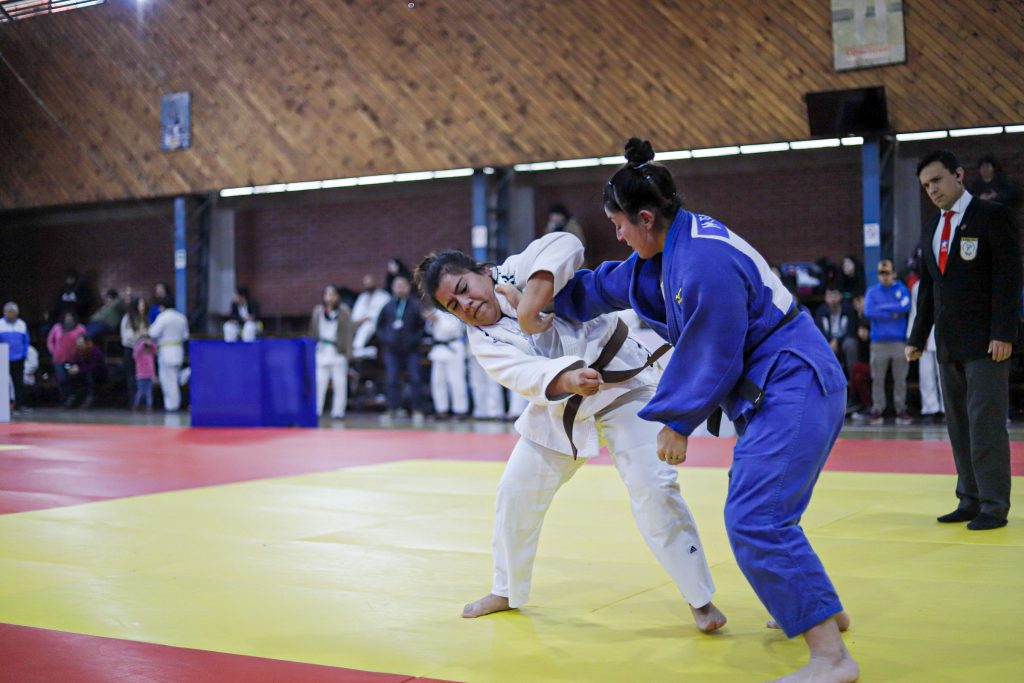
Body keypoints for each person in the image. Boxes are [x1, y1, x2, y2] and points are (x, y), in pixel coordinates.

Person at [546, 138, 857, 683]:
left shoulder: (703, 260)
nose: (617, 236)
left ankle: (831, 658)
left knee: (756, 517)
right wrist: (536, 291)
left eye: (619, 225)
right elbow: (602, 286)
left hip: (795, 381)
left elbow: (714, 349)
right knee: (765, 507)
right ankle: (820, 610)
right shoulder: (667, 250)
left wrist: (677, 422)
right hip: (779, 386)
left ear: (645, 218)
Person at [414, 232, 725, 633]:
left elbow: (566, 244)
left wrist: (529, 306)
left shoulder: (518, 270)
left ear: (481, 271)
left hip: (624, 386)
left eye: (463, 289)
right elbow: (524, 375)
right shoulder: (482, 341)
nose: (467, 305)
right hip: (563, 406)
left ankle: (700, 599)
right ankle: (506, 590)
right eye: (454, 306)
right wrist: (566, 378)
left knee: (653, 487)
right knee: (515, 492)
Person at [907, 150, 1021, 531]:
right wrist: (917, 337)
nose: (932, 190)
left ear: (958, 174)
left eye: (937, 180)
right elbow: (929, 289)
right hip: (948, 343)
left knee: (985, 423)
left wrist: (1004, 332)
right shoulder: (932, 227)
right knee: (958, 425)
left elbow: (1008, 277)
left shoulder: (992, 215)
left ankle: (994, 504)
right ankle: (969, 498)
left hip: (987, 343)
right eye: (926, 185)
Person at [855, 260, 913, 425]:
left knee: (900, 379)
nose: (884, 276)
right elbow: (869, 311)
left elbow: (906, 307)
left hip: (898, 342)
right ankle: (878, 408)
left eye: (887, 273)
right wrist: (893, 312)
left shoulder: (902, 289)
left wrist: (882, 308)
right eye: (881, 273)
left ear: (894, 274)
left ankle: (900, 409)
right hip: (878, 342)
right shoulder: (872, 291)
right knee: (877, 379)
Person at [375, 275, 427, 419]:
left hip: (411, 350)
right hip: (392, 350)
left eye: (403, 285)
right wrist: (386, 339)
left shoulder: (415, 305)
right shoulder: (387, 306)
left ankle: (417, 409)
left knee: (415, 378)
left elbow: (422, 327)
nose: (400, 289)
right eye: (397, 286)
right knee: (392, 379)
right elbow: (379, 326)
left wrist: (414, 340)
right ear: (392, 288)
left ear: (408, 288)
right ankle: (393, 408)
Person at [309, 284, 353, 420]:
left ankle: (338, 411)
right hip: (321, 351)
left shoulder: (344, 311)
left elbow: (348, 333)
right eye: (327, 294)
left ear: (338, 296)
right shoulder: (318, 311)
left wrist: (348, 353)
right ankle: (316, 410)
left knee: (340, 383)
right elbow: (312, 332)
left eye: (333, 294)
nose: (330, 297)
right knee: (319, 383)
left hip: (338, 352)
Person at [907, 274, 944, 424]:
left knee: (944, 375)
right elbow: (915, 313)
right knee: (926, 375)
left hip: (944, 334)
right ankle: (930, 408)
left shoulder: (947, 281)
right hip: (925, 335)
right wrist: (916, 337)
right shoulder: (917, 287)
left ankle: (947, 409)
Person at [425, 309, 469, 419]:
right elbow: (428, 330)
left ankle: (460, 410)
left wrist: (437, 319)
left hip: (454, 347)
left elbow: (451, 329)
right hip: (439, 348)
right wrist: (431, 320)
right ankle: (441, 409)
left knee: (456, 380)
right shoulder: (436, 310)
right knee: (437, 381)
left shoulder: (455, 309)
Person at [148, 300, 189, 411]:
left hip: (166, 351)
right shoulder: (181, 317)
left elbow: (152, 332)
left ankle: (171, 406)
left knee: (167, 380)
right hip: (178, 351)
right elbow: (185, 335)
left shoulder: (163, 317)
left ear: (162, 307)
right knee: (175, 379)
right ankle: (174, 403)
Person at [814, 287, 859, 379]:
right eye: (830, 296)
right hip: (827, 341)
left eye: (835, 295)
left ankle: (853, 378)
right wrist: (830, 341)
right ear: (825, 298)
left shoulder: (849, 310)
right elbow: (818, 331)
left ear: (840, 296)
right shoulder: (820, 311)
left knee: (851, 344)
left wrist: (837, 341)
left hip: (844, 340)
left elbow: (851, 330)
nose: (833, 299)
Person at [47, 311, 87, 407]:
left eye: (70, 317)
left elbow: (84, 341)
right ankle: (65, 399)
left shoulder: (80, 328)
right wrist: (54, 351)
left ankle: (74, 398)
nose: (68, 319)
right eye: (66, 317)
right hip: (59, 358)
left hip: (73, 359)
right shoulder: (57, 327)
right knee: (62, 379)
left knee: (73, 378)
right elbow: (50, 341)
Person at [351, 274, 391, 359]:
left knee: (368, 325)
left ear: (375, 282)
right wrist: (359, 320)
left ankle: (357, 348)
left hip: (378, 324)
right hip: (360, 324)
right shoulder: (362, 297)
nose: (368, 285)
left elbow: (386, 314)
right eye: (366, 284)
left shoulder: (384, 296)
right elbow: (355, 315)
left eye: (370, 283)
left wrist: (368, 318)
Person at [0, 302, 30, 412]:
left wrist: (24, 353)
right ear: (4, 313)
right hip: (3, 358)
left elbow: (26, 341)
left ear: (16, 313)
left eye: (12, 312)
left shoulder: (22, 324)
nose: (10, 314)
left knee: (19, 382)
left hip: (18, 358)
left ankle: (19, 405)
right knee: (3, 383)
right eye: (8, 312)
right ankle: (4, 406)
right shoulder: (0, 324)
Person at [120, 297, 148, 408]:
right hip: (130, 349)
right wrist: (139, 334)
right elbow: (126, 336)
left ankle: (143, 401)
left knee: (142, 376)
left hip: (142, 351)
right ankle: (133, 401)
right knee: (132, 376)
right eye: (141, 304)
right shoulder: (128, 318)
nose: (143, 307)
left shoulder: (143, 318)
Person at [133, 331, 157, 411]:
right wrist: (143, 342)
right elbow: (137, 350)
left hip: (149, 376)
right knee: (140, 392)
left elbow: (155, 349)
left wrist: (151, 343)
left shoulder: (150, 355)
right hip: (141, 376)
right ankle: (136, 405)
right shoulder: (139, 356)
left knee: (149, 392)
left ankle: (149, 406)